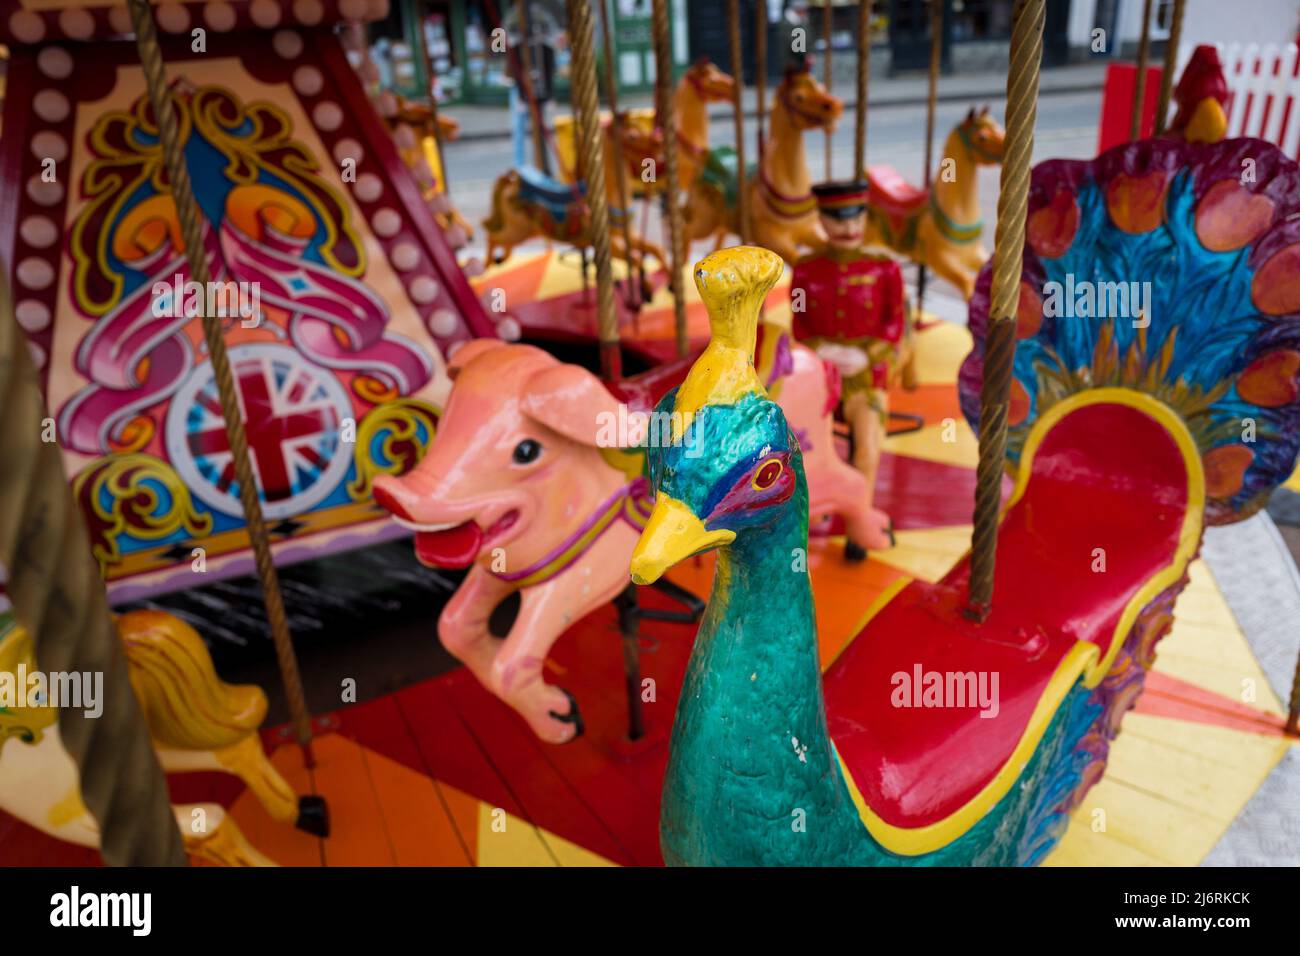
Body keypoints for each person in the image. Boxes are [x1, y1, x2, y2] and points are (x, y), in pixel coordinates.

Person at [790, 180, 910, 559]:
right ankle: (802, 511)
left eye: (856, 216)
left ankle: (860, 524)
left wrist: (869, 354)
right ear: (822, 220)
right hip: (822, 376)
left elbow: (894, 322)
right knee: (794, 442)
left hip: (862, 376)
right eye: (836, 218)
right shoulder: (807, 271)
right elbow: (800, 322)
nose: (848, 227)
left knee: (868, 446)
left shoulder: (884, 267)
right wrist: (819, 347)